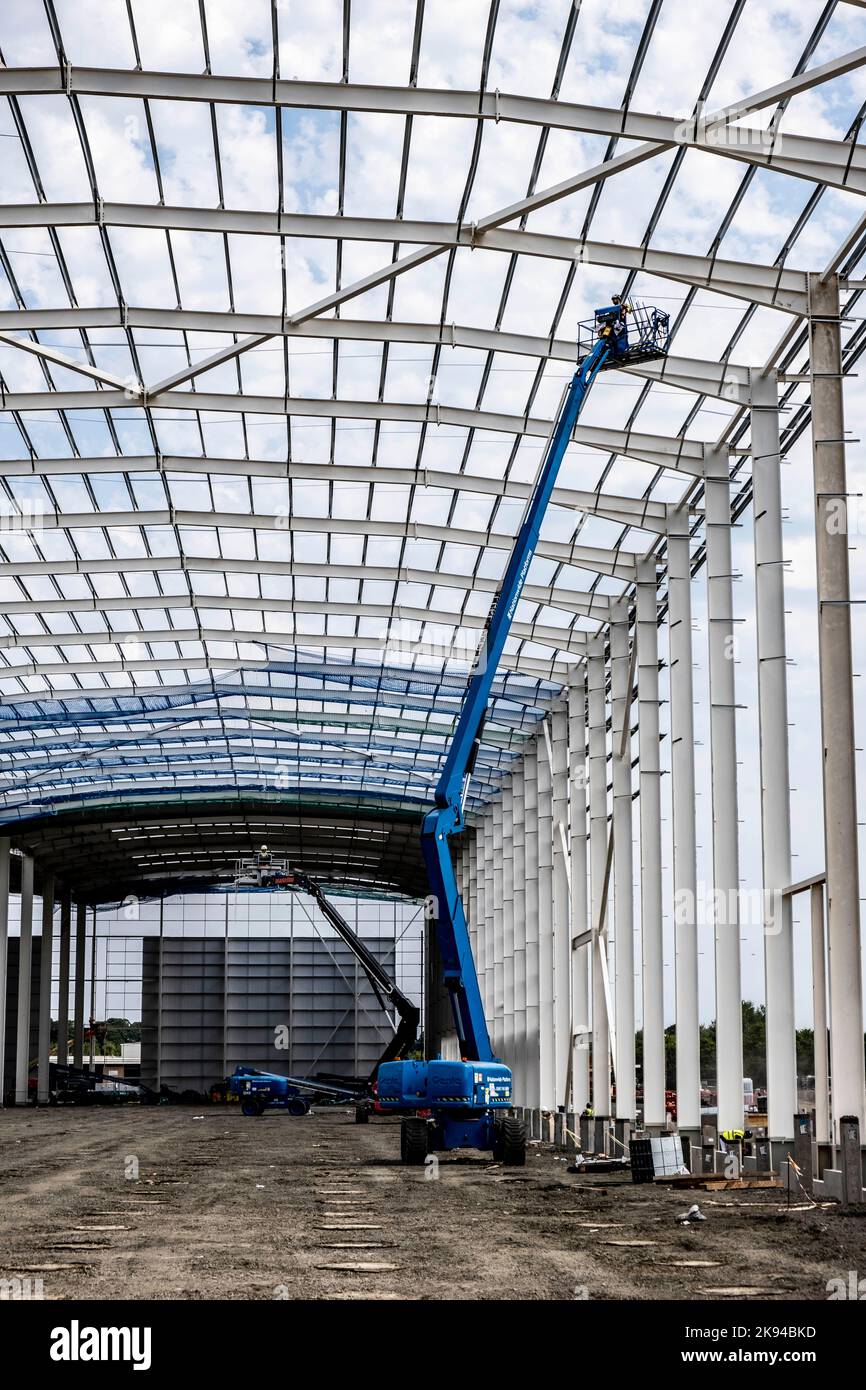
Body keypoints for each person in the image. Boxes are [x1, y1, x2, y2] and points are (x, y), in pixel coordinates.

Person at [595, 293, 630, 358]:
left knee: (617, 337)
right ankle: (606, 341)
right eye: (613, 300)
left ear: (619, 299)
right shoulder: (612, 310)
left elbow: (629, 309)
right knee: (607, 329)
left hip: (620, 326)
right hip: (613, 327)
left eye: (615, 299)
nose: (614, 301)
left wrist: (624, 307)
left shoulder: (622, 307)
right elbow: (608, 318)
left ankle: (613, 347)